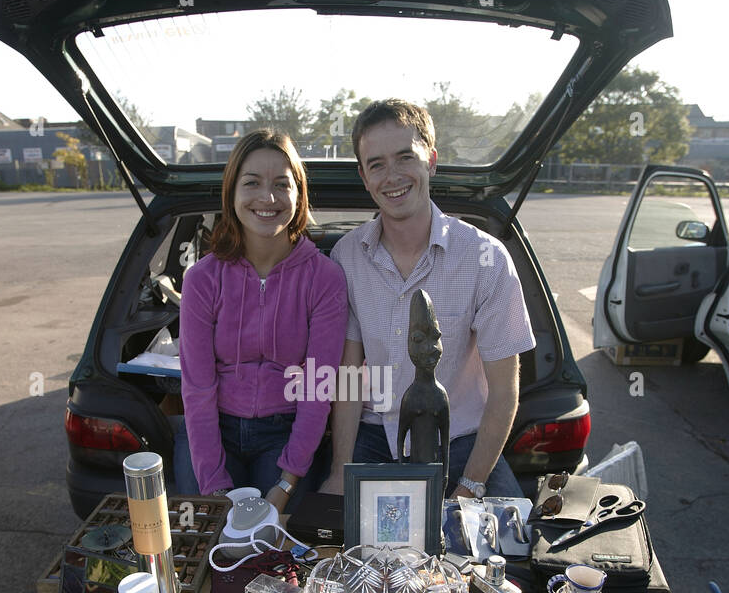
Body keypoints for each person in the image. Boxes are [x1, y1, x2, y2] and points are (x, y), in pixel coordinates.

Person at [319, 99, 535, 501]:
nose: (392, 176)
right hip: (373, 438)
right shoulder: (346, 258)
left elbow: (504, 392)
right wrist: (339, 472)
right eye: (377, 164)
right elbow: (348, 379)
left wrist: (470, 487)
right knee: (335, 550)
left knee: (504, 557)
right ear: (364, 177)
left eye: (406, 157)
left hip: (462, 442)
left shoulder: (485, 259)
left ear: (431, 161)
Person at [176, 128, 348, 513]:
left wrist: (286, 482)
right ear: (232, 192)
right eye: (252, 182)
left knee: (275, 550)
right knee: (212, 541)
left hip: (287, 435)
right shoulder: (202, 279)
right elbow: (197, 390)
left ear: (298, 194)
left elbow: (318, 389)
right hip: (211, 431)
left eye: (281, 185)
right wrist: (216, 489)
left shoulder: (325, 278)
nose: (267, 198)